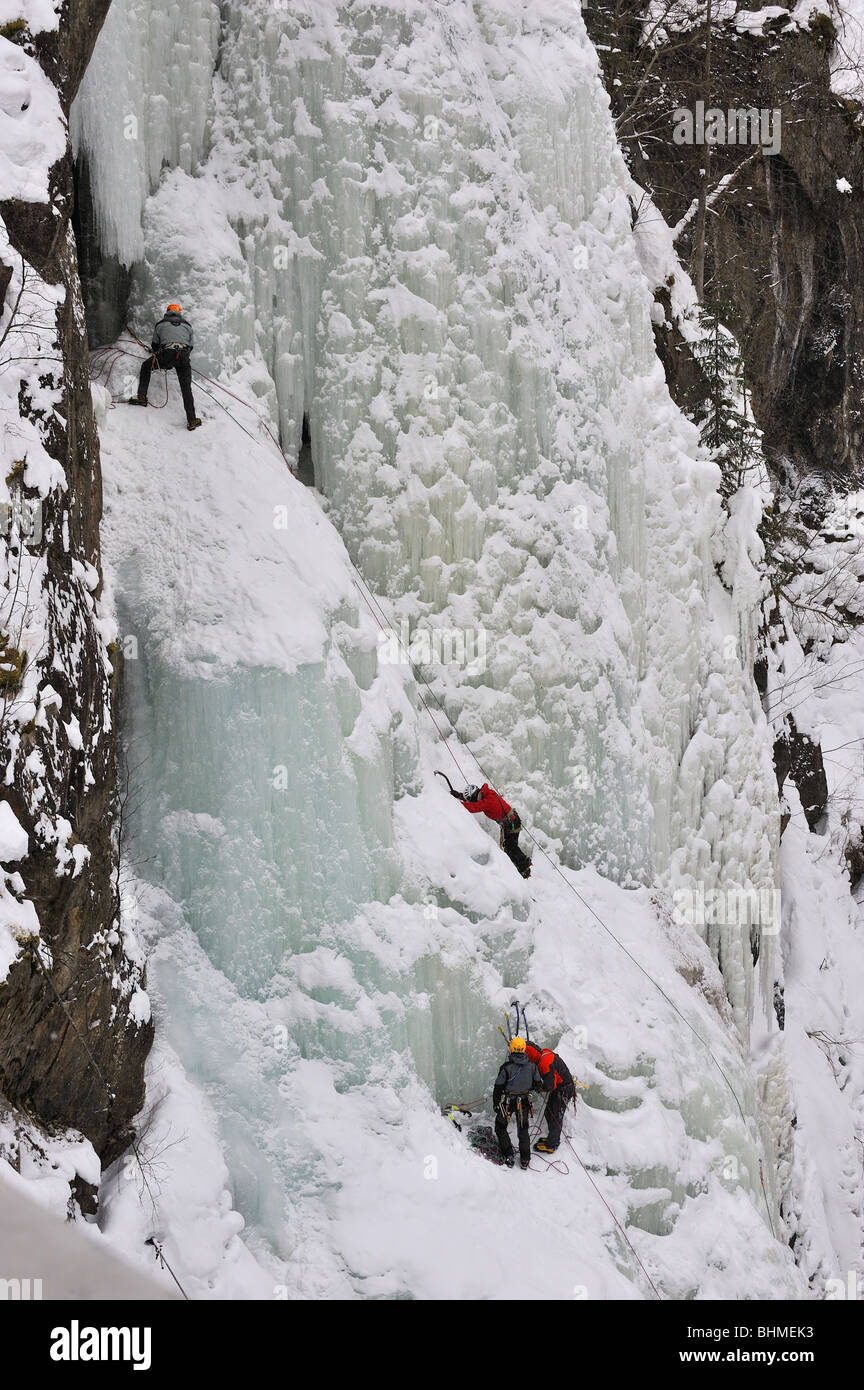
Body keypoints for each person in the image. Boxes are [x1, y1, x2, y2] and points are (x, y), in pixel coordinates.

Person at [129, 303, 201, 430]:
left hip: (166, 354)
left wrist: (164, 358)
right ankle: (192, 420)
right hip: (183, 356)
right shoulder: (187, 326)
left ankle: (142, 397)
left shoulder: (161, 324)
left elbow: (155, 345)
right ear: (179, 313)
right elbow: (191, 346)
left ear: (167, 312)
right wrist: (181, 357)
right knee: (186, 388)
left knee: (146, 366)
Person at [446, 779, 532, 879]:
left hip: (511, 823)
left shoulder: (487, 801)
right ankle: (521, 868)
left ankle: (524, 867)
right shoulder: (487, 793)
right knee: (508, 847)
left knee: (510, 847)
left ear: (474, 797)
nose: (472, 801)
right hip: (510, 821)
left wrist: (456, 803)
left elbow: (474, 807)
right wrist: (460, 795)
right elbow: (476, 803)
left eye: (471, 799)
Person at [492, 1036, 544, 1169]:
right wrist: (529, 1087)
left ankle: (509, 1155)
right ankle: (525, 1159)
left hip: (508, 1102)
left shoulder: (506, 1067)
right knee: (523, 1130)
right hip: (524, 1101)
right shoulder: (532, 1066)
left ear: (512, 1049)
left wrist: (496, 1103)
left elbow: (498, 1087)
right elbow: (538, 1084)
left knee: (500, 1127)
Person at [526, 1041, 575, 1153]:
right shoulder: (544, 1054)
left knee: (555, 1115)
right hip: (561, 1087)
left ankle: (552, 1144)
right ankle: (552, 1139)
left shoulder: (545, 1063)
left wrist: (537, 1088)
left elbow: (549, 1086)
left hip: (563, 1090)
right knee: (549, 1113)